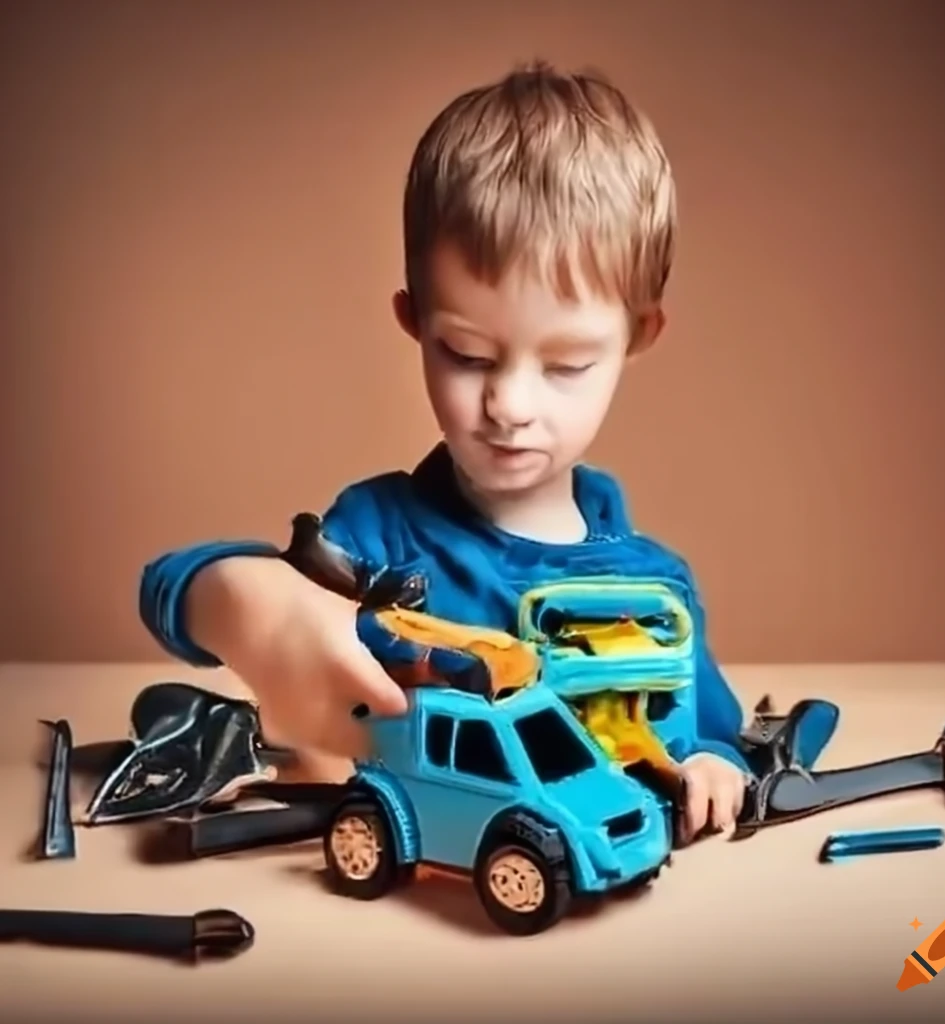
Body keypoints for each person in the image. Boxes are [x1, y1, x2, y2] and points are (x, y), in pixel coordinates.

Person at [139, 61, 751, 842]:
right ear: (415, 321)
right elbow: (164, 587)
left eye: (565, 366)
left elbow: (714, 739)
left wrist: (713, 768)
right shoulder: (378, 535)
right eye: (465, 353)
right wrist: (246, 604)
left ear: (639, 338)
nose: (511, 406)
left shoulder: (655, 593)